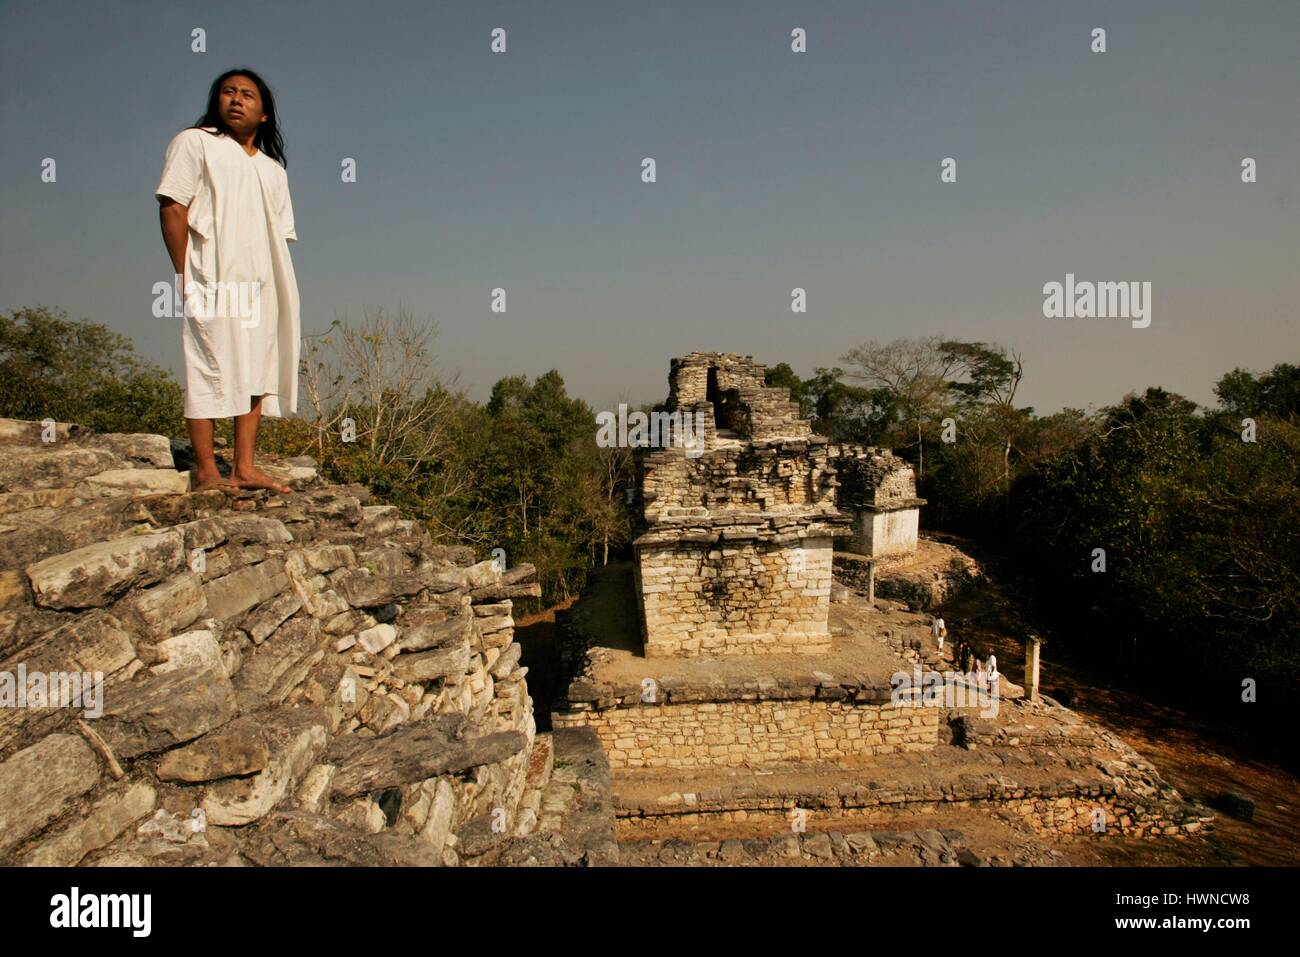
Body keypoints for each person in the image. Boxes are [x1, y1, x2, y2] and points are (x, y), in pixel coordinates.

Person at [156, 68, 299, 494]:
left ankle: (245, 467)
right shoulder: (195, 142)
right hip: (213, 275)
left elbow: (278, 235)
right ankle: (205, 470)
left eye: (248, 95)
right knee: (209, 362)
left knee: (257, 368)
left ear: (264, 114)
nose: (236, 99)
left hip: (263, 281)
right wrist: (184, 273)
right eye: (228, 92)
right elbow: (172, 206)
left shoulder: (274, 171)